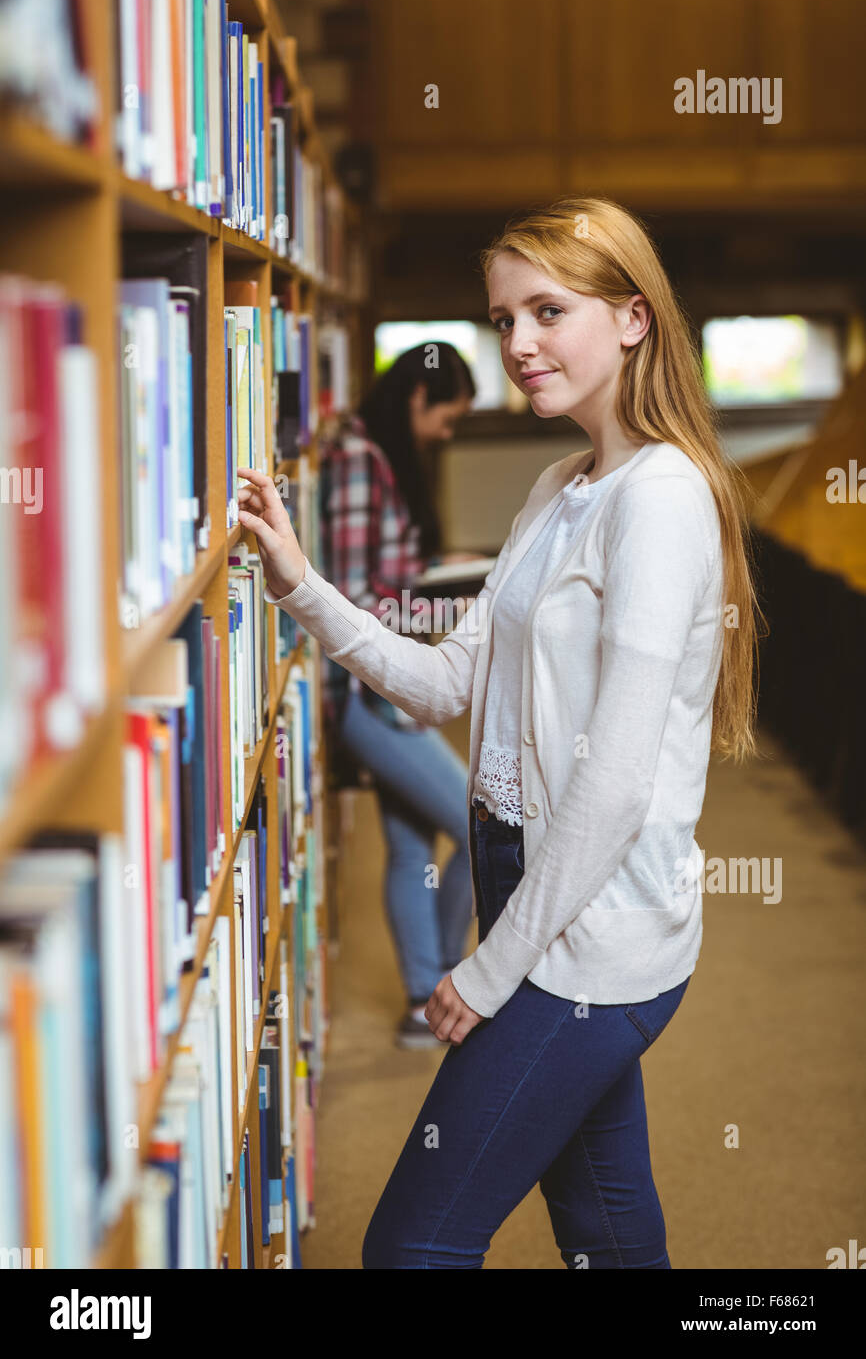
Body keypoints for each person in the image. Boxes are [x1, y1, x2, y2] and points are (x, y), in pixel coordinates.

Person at [237, 195, 767, 1269]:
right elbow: (439, 682)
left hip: (586, 933)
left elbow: (612, 786)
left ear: (631, 319)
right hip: (536, 895)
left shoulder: (659, 501)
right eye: (500, 320)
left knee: (411, 1246)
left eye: (546, 311)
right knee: (605, 1231)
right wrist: (300, 587)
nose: (517, 344)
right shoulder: (557, 487)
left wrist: (485, 970)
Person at [313, 343, 480, 1049]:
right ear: (417, 396)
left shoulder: (378, 456)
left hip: (383, 687)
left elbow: (382, 573)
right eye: (448, 415)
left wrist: (435, 580)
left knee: (412, 841)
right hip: (367, 694)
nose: (447, 432)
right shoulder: (357, 458)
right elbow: (348, 601)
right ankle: (447, 985)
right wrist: (432, 607)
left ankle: (422, 1003)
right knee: (483, 822)